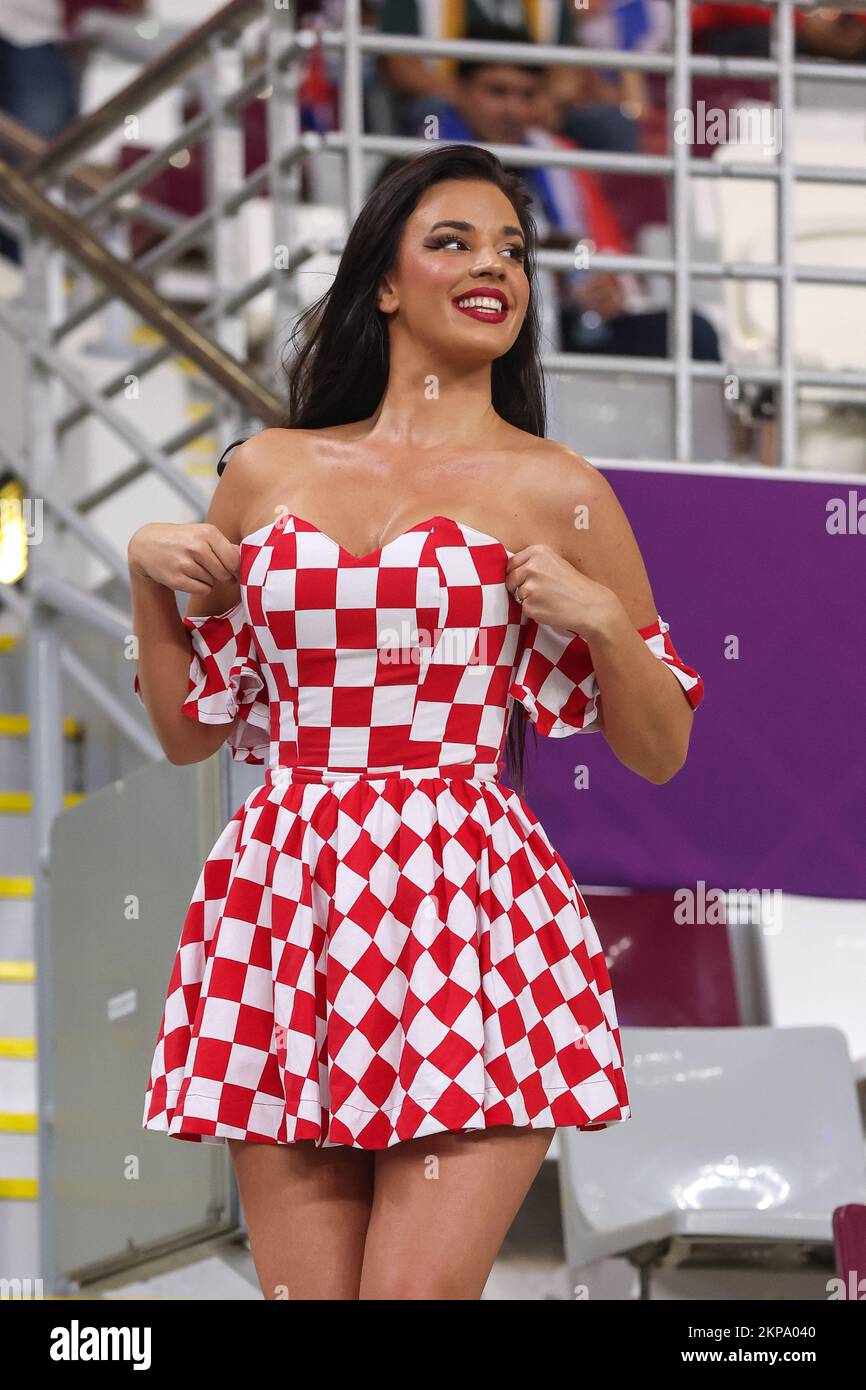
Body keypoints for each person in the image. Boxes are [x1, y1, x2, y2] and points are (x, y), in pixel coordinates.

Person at [128, 143, 705, 1301]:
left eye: (511, 250)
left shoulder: (559, 487)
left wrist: (597, 619)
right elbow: (192, 734)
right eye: (452, 241)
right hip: (285, 903)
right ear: (382, 284)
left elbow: (658, 748)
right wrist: (149, 583)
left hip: (468, 912)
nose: (491, 266)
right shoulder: (263, 471)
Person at [412, 25, 720, 360]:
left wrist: (608, 287)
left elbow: (603, 252)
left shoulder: (557, 156)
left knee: (692, 333)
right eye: (497, 92)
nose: (513, 110)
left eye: (527, 96)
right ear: (459, 91)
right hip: (475, 318)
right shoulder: (422, 162)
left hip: (565, 320)